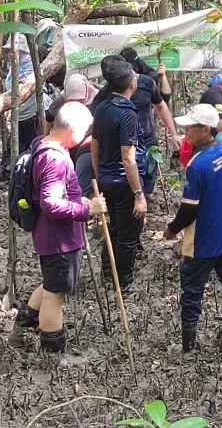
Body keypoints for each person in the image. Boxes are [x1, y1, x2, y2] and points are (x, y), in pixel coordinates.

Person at [9, 102, 107, 353]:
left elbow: (52, 194)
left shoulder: (42, 144)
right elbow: (50, 203)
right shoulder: (55, 159)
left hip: (50, 236)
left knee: (50, 284)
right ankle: (54, 354)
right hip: (59, 239)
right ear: (74, 130)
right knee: (55, 295)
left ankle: (22, 327)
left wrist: (77, 200)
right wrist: (86, 210)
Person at [163, 104, 222, 354]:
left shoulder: (197, 165)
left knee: (192, 291)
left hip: (202, 240)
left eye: (191, 127)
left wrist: (172, 230)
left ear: (206, 130)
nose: (186, 132)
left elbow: (189, 209)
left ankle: (187, 347)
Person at [91, 61, 145, 291]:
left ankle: (108, 274)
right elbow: (128, 157)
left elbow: (94, 146)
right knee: (128, 234)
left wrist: (100, 175)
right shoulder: (127, 114)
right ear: (131, 83)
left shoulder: (102, 107)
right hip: (124, 183)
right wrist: (138, 194)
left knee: (113, 229)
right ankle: (122, 281)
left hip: (106, 179)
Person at [94, 52, 181, 194]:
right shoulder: (110, 91)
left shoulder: (146, 82)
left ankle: (144, 199)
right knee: (130, 188)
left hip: (147, 143)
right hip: (123, 147)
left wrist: (174, 134)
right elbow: (97, 121)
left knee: (148, 182)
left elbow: (161, 106)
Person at [3, 35, 40, 153]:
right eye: (8, 51)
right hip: (18, 113)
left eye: (11, 50)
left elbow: (26, 86)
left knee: (31, 145)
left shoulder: (30, 65)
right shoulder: (15, 64)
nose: (9, 54)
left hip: (30, 113)